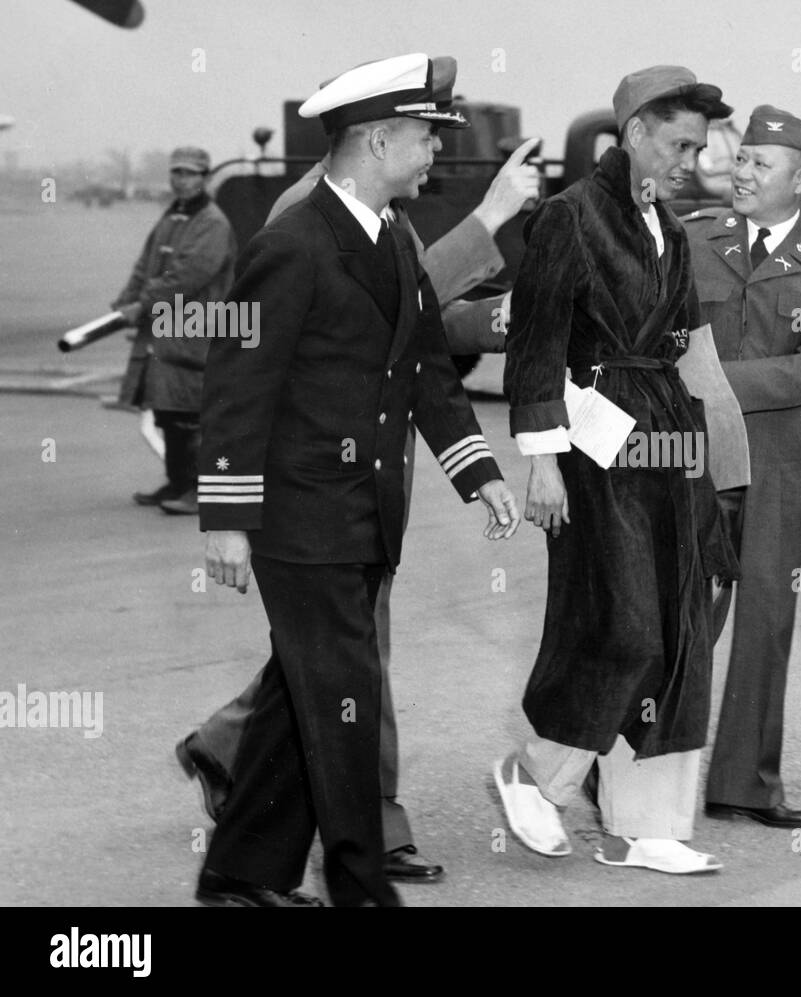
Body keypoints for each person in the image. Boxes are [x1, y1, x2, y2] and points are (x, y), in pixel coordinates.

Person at [175, 60, 536, 886]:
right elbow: (239, 385)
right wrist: (227, 516)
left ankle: (240, 874)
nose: (433, 157)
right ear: (376, 140)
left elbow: (425, 372)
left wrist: (478, 473)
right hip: (300, 523)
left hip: (365, 511)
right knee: (344, 702)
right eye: (423, 140)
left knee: (291, 706)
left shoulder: (389, 240)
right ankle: (360, 882)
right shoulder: (292, 243)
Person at [493, 65, 737, 875]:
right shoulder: (568, 217)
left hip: (669, 437)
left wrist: (721, 461)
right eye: (677, 144)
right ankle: (534, 772)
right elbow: (535, 344)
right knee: (623, 621)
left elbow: (691, 351)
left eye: (699, 149)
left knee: (679, 630)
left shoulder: (667, 224)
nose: (689, 162)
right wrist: (542, 459)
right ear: (632, 132)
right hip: (596, 443)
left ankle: (645, 823)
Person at [682, 105, 801, 829]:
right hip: (691, 457)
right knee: (680, 612)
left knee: (765, 617)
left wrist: (709, 383)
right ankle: (632, 776)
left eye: (760, 162)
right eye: (742, 158)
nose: (742, 171)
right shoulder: (693, 237)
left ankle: (745, 784)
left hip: (776, 460)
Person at [113, 146, 236, 515]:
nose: (181, 179)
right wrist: (125, 300)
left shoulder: (212, 222)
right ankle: (179, 482)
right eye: (176, 172)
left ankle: (201, 489)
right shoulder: (172, 217)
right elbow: (146, 264)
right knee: (167, 409)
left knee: (190, 410)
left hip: (195, 327)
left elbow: (189, 275)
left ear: (205, 177)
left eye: (190, 173)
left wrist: (143, 304)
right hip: (166, 327)